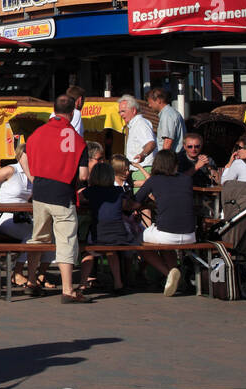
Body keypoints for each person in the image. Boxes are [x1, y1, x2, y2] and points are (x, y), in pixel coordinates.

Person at [21, 94, 90, 302]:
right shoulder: (76, 139)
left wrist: (34, 178)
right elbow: (84, 175)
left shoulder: (37, 133)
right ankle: (68, 289)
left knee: (38, 237)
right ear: (72, 113)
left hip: (40, 191)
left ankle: (31, 281)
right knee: (66, 240)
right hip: (62, 193)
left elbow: (23, 157)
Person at [0, 152, 54, 287]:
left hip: (24, 217)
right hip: (6, 216)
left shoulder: (33, 174)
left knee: (49, 234)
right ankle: (17, 272)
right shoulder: (11, 170)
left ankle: (40, 274)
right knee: (32, 235)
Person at [135, 149, 196, 296]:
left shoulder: (154, 180)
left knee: (139, 242)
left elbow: (135, 203)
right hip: (190, 234)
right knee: (166, 245)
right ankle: (172, 277)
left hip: (166, 233)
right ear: (175, 164)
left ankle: (169, 274)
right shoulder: (186, 180)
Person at [78, 160, 137, 295]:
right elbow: (126, 205)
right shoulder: (118, 190)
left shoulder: (91, 191)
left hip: (99, 234)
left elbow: (79, 198)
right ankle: (118, 283)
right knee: (112, 252)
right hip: (118, 234)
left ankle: (82, 284)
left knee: (89, 253)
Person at [118, 94, 156, 184]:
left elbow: (151, 143)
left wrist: (143, 154)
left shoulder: (140, 123)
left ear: (133, 110)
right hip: (139, 170)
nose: (121, 114)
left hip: (143, 170)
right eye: (119, 112)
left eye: (123, 111)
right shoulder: (135, 125)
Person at [148, 86, 185, 152]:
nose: (149, 105)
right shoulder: (169, 113)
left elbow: (168, 141)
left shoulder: (167, 115)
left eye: (150, 102)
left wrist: (163, 160)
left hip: (170, 158)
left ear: (158, 100)